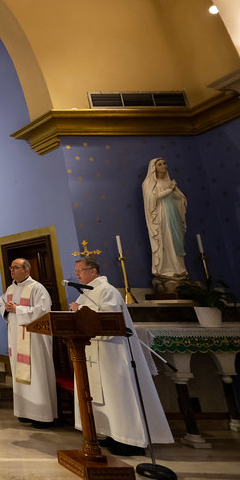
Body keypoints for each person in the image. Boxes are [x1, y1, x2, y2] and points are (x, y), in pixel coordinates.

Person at [71, 258, 174, 456]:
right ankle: (113, 434)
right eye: (76, 271)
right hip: (96, 351)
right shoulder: (88, 292)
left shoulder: (107, 290)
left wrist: (80, 310)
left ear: (93, 271)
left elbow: (109, 319)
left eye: (80, 271)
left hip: (113, 352)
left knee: (119, 395)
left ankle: (132, 440)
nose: (77, 275)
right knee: (108, 397)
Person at [0, 258, 56, 428]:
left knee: (36, 374)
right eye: (11, 268)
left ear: (26, 270)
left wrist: (18, 309)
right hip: (16, 339)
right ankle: (25, 412)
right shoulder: (10, 288)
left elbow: (44, 312)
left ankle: (42, 415)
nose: (12, 271)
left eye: (15, 268)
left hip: (34, 340)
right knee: (19, 373)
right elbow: (2, 304)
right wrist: (7, 308)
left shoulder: (37, 288)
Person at [142, 157, 189, 292]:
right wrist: (169, 190)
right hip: (160, 216)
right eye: (160, 164)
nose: (163, 166)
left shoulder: (169, 182)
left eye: (164, 163)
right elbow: (152, 199)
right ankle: (166, 270)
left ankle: (179, 269)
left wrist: (174, 192)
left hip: (173, 215)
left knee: (176, 241)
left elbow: (180, 198)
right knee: (165, 241)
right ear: (153, 168)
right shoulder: (149, 183)